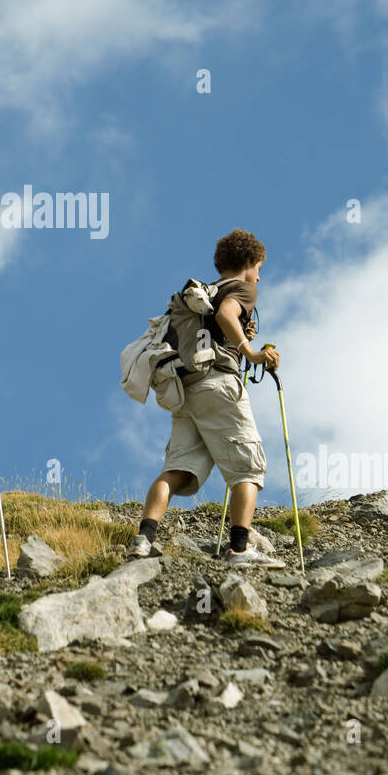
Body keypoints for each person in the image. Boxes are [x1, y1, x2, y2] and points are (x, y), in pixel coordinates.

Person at [127, 229, 284, 565]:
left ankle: (144, 539)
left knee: (178, 470)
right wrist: (250, 352)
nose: (259, 275)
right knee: (247, 467)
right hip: (218, 386)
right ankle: (239, 550)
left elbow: (215, 324)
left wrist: (238, 338)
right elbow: (228, 315)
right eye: (259, 267)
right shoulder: (243, 288)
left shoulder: (203, 295)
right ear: (249, 262)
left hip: (186, 391)